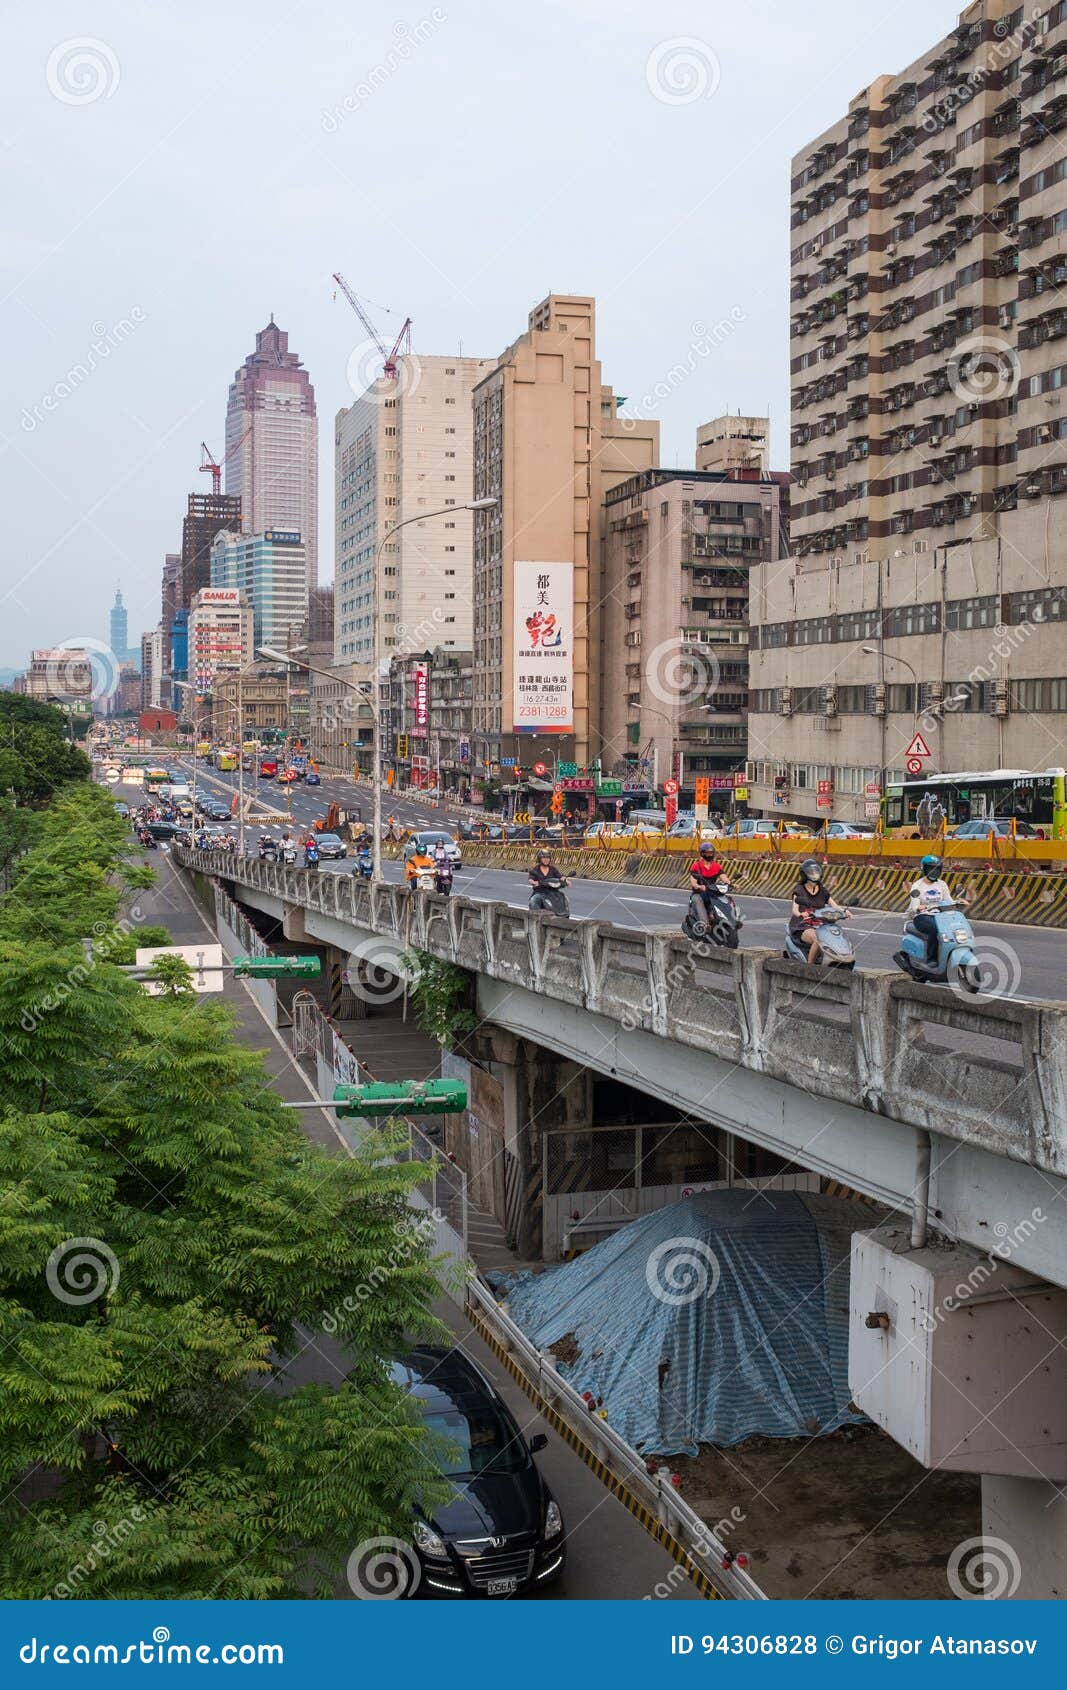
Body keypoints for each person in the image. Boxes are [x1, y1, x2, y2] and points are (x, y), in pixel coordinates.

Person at [907, 854, 969, 965]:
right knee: (935, 929)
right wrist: (920, 907)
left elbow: (948, 901)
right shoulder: (917, 886)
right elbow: (914, 905)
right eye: (931, 869)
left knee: (956, 928)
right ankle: (932, 958)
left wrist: (959, 902)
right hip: (922, 916)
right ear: (924, 869)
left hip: (940, 916)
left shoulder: (942, 884)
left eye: (936, 869)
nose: (934, 872)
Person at [789, 859, 847, 965]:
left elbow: (834, 905)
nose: (814, 875)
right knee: (818, 940)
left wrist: (845, 912)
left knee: (835, 938)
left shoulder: (823, 890)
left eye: (816, 872)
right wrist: (801, 914)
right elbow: (795, 909)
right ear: (805, 874)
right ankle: (810, 967)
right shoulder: (799, 890)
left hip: (820, 924)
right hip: (803, 925)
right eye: (811, 872)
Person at [688, 840, 728, 925]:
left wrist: (731, 884)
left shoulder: (716, 866)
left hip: (713, 893)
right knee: (698, 900)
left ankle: (731, 918)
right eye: (707, 853)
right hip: (699, 893)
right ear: (702, 854)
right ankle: (705, 924)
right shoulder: (696, 866)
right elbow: (693, 883)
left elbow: (724, 877)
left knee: (726, 899)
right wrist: (699, 886)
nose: (710, 855)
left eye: (711, 853)